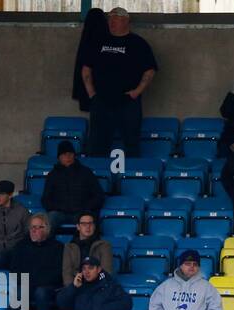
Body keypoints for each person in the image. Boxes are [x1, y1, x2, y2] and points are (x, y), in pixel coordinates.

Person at [79, 6, 157, 158]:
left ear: (126, 21)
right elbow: (86, 69)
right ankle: (99, 172)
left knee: (131, 143)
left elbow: (150, 71)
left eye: (116, 19)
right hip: (101, 100)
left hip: (127, 101)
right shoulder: (98, 42)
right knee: (97, 144)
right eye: (110, 19)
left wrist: (137, 92)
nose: (112, 22)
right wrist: (91, 93)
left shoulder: (138, 43)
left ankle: (131, 172)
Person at [40, 141, 105, 232]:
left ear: (74, 155)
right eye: (64, 154)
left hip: (81, 212)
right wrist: (58, 207)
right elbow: (45, 199)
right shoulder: (53, 175)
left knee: (87, 222)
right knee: (47, 222)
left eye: (70, 154)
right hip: (59, 212)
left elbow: (99, 196)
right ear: (59, 157)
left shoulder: (86, 172)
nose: (68, 157)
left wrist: (86, 208)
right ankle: (46, 242)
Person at [9, 212, 66, 310]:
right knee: (19, 293)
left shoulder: (57, 247)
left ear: (46, 229)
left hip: (48, 286)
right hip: (26, 284)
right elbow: (14, 271)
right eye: (32, 227)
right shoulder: (20, 246)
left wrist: (35, 282)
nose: (34, 230)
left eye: (39, 227)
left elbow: (58, 273)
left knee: (41, 293)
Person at [62, 212, 114, 284]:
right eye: (84, 224)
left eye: (90, 223)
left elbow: (106, 272)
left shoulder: (104, 246)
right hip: (76, 285)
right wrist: (72, 288)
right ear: (78, 227)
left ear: (94, 226)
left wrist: (95, 287)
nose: (88, 227)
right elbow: (67, 273)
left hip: (97, 286)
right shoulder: (69, 247)